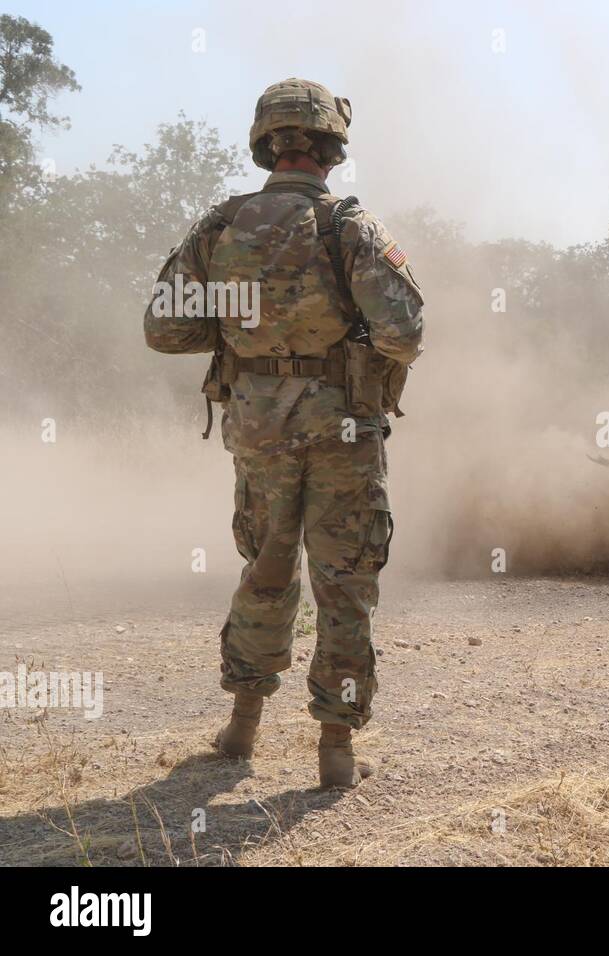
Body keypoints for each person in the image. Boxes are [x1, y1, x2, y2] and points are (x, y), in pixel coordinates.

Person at [144, 78, 423, 787]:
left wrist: (245, 335)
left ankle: (241, 729)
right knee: (346, 579)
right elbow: (404, 330)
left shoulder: (220, 227)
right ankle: (335, 748)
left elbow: (164, 328)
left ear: (267, 144)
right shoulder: (348, 227)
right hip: (344, 432)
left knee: (266, 571)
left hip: (259, 428)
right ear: (331, 149)